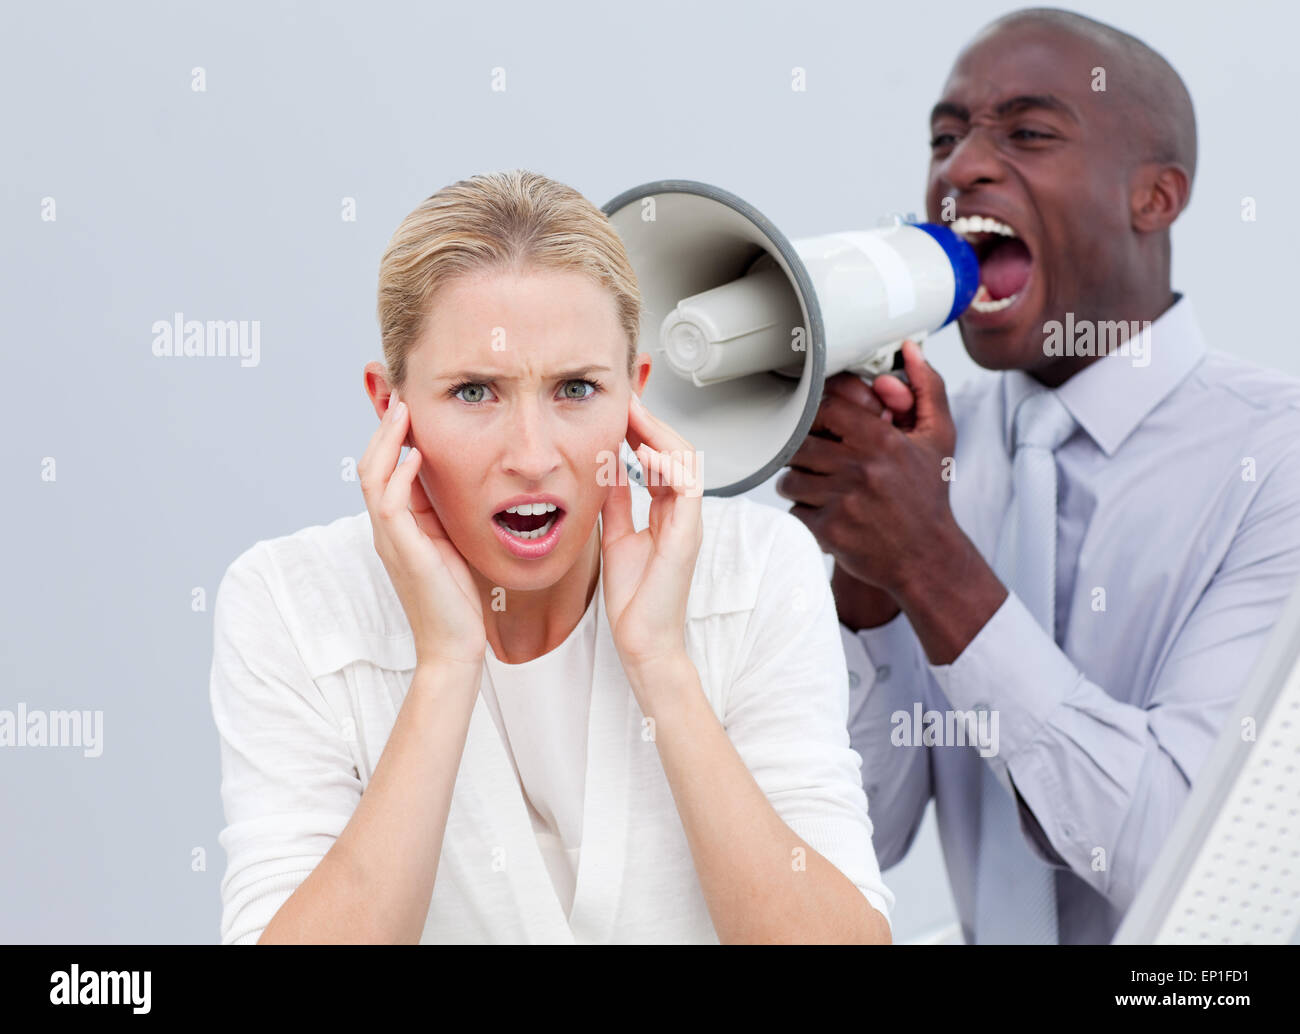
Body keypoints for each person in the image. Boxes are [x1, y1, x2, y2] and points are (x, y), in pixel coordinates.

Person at [210, 169, 893, 944]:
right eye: (475, 392)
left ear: (636, 398)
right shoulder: (288, 602)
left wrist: (662, 664)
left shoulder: (760, 571)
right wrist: (444, 666)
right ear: (389, 407)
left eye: (575, 388)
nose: (532, 457)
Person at [777, 7, 1300, 943]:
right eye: (945, 136)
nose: (961, 166)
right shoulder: (926, 451)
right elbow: (864, 842)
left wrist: (931, 564)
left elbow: (1176, 860)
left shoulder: (1276, 461)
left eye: (1027, 132)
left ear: (1157, 197)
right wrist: (867, 578)